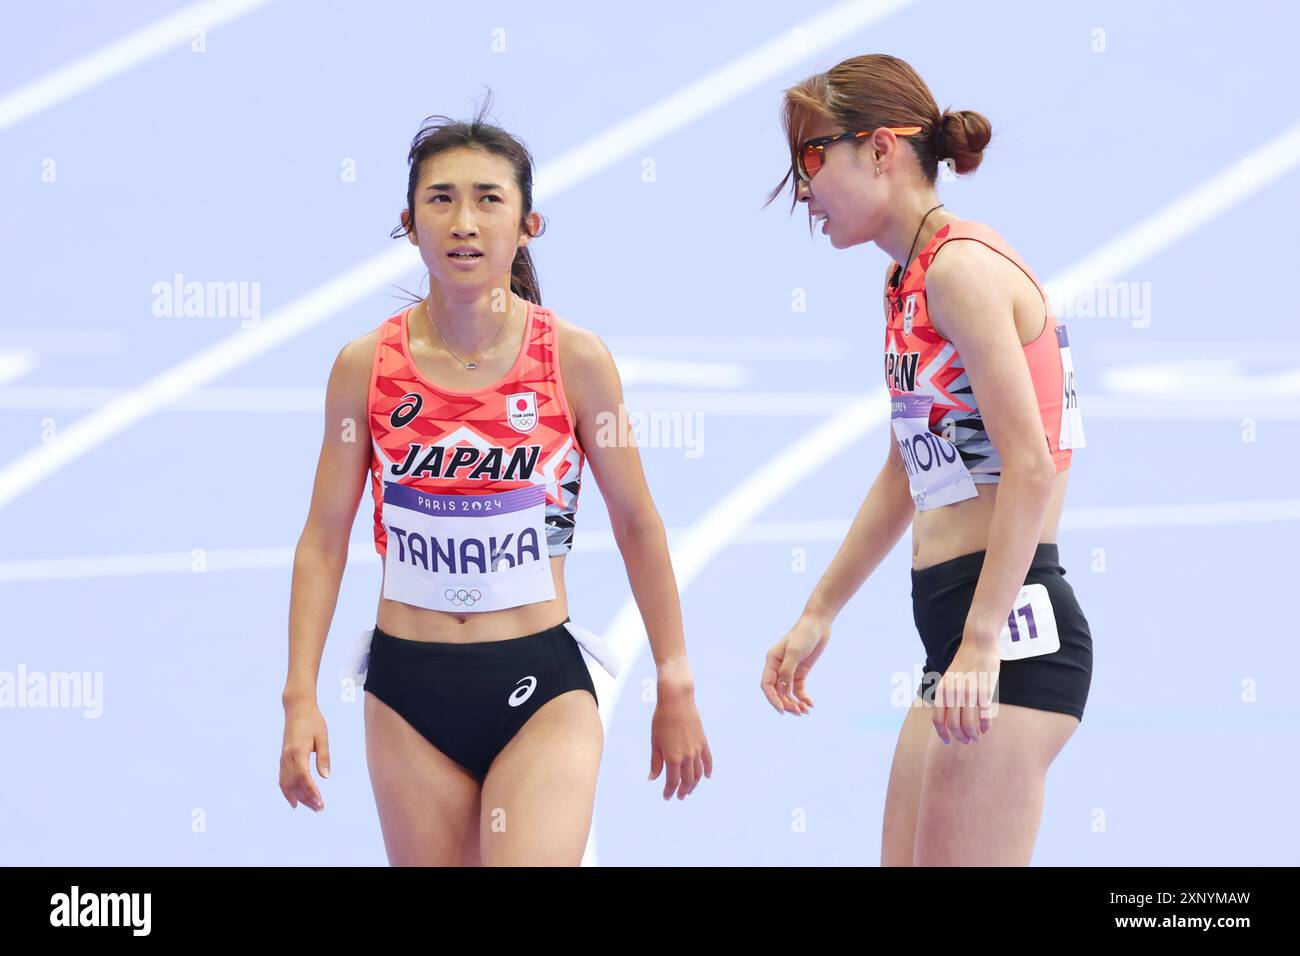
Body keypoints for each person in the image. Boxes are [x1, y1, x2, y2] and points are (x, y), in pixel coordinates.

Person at [278, 96, 712, 866]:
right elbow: (323, 536)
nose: (464, 222)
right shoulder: (362, 367)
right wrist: (299, 695)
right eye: (440, 200)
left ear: (527, 226)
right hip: (408, 694)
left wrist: (675, 679)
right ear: (409, 225)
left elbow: (639, 522)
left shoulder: (573, 361)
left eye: (488, 200)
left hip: (540, 686)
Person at [758, 54, 1092, 866]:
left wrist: (980, 642)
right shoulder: (909, 279)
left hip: (1008, 638)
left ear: (878, 149)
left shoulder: (961, 272)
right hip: (960, 635)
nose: (801, 190)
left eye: (810, 157)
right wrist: (818, 612)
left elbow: (1032, 464)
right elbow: (912, 465)